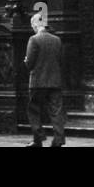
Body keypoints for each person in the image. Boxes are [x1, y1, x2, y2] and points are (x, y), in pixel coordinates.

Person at [24, 13, 65, 148]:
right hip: (55, 81)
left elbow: (29, 63)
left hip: (38, 81)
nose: (32, 28)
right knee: (56, 111)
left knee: (34, 109)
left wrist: (26, 61)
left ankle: (38, 138)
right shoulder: (57, 40)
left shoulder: (34, 39)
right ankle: (58, 140)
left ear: (35, 24)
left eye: (32, 25)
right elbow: (60, 60)